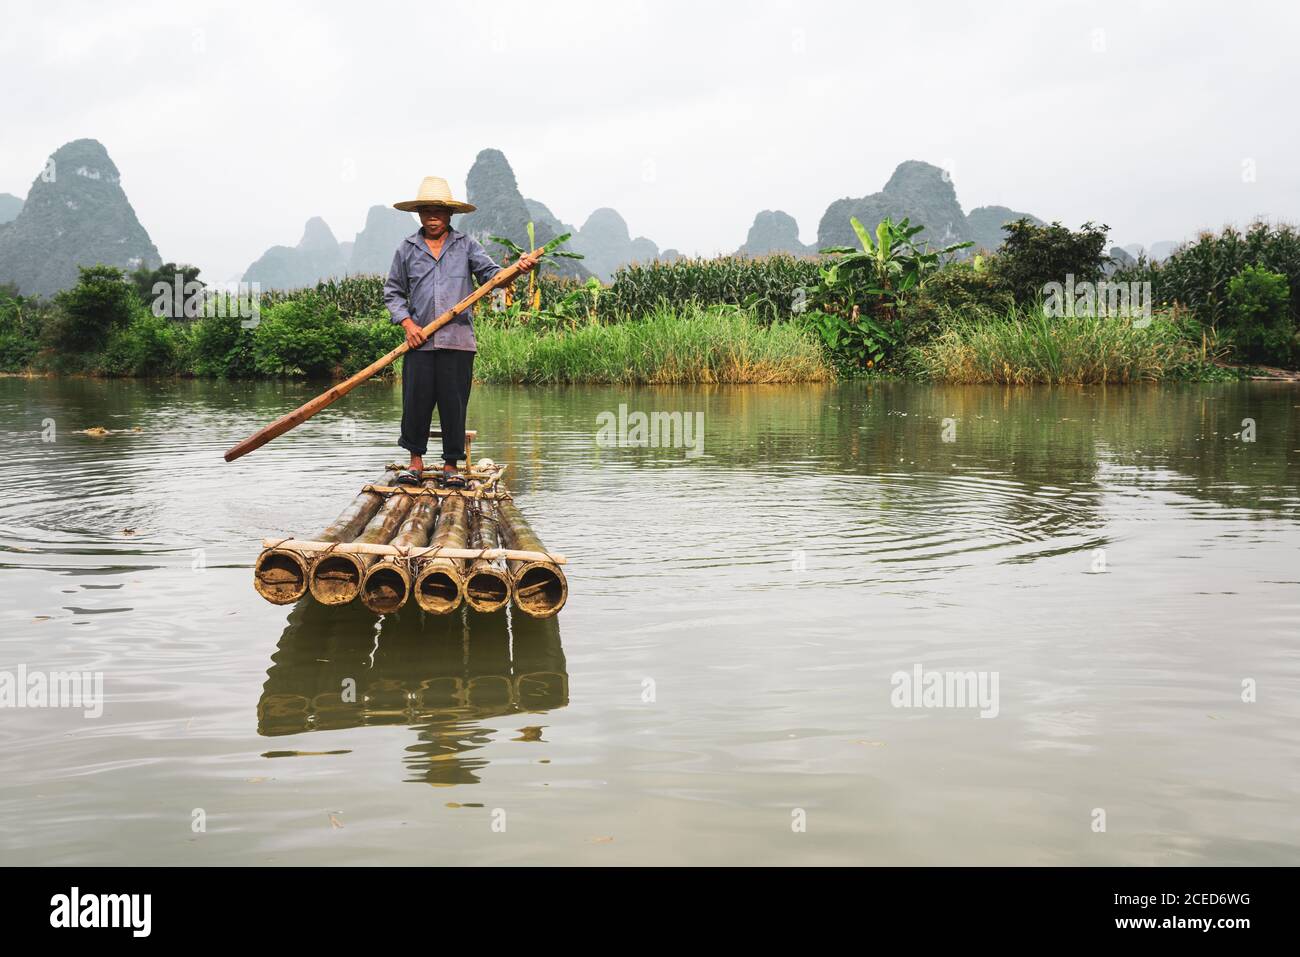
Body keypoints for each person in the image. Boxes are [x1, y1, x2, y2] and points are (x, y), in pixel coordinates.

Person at [383, 176, 537, 487]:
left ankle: (451, 465)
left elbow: (494, 278)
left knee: (454, 404)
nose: (432, 216)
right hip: (419, 342)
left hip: (458, 341)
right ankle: (415, 463)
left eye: (438, 210)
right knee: (416, 402)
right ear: (419, 214)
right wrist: (408, 324)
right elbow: (393, 292)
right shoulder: (407, 249)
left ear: (450, 214)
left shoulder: (466, 245)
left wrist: (517, 269)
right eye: (426, 210)